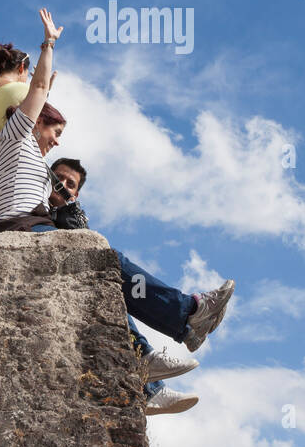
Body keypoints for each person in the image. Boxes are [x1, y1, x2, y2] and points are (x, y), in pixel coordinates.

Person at [0, 8, 235, 354]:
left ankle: (170, 341)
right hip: (21, 232)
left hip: (28, 229)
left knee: (104, 270)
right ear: (37, 123)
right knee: (107, 259)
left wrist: (46, 88)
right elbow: (38, 88)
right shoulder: (16, 136)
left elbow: (42, 91)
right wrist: (48, 45)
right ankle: (188, 315)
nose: (57, 141)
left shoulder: (29, 160)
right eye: (55, 132)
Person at [45, 157, 200, 416]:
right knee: (109, 264)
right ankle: (183, 321)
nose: (61, 185)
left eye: (69, 184)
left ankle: (152, 381)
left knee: (111, 288)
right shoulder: (28, 193)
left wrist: (70, 214)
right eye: (57, 178)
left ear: (76, 193)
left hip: (68, 278)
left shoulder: (65, 214)